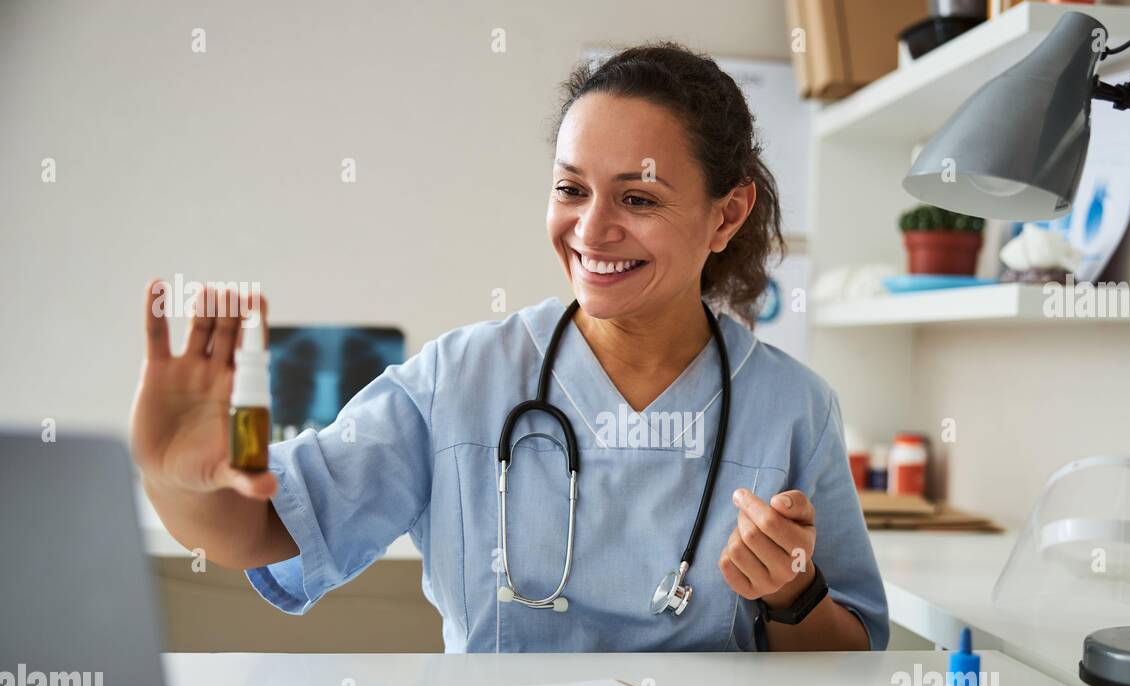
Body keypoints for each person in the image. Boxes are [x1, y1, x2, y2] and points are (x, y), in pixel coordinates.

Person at [131, 42, 889, 653]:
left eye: (638, 198)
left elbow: (848, 656)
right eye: (570, 190)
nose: (591, 232)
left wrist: (794, 592)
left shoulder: (792, 408)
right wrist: (177, 479)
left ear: (727, 215)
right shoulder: (460, 379)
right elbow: (267, 530)